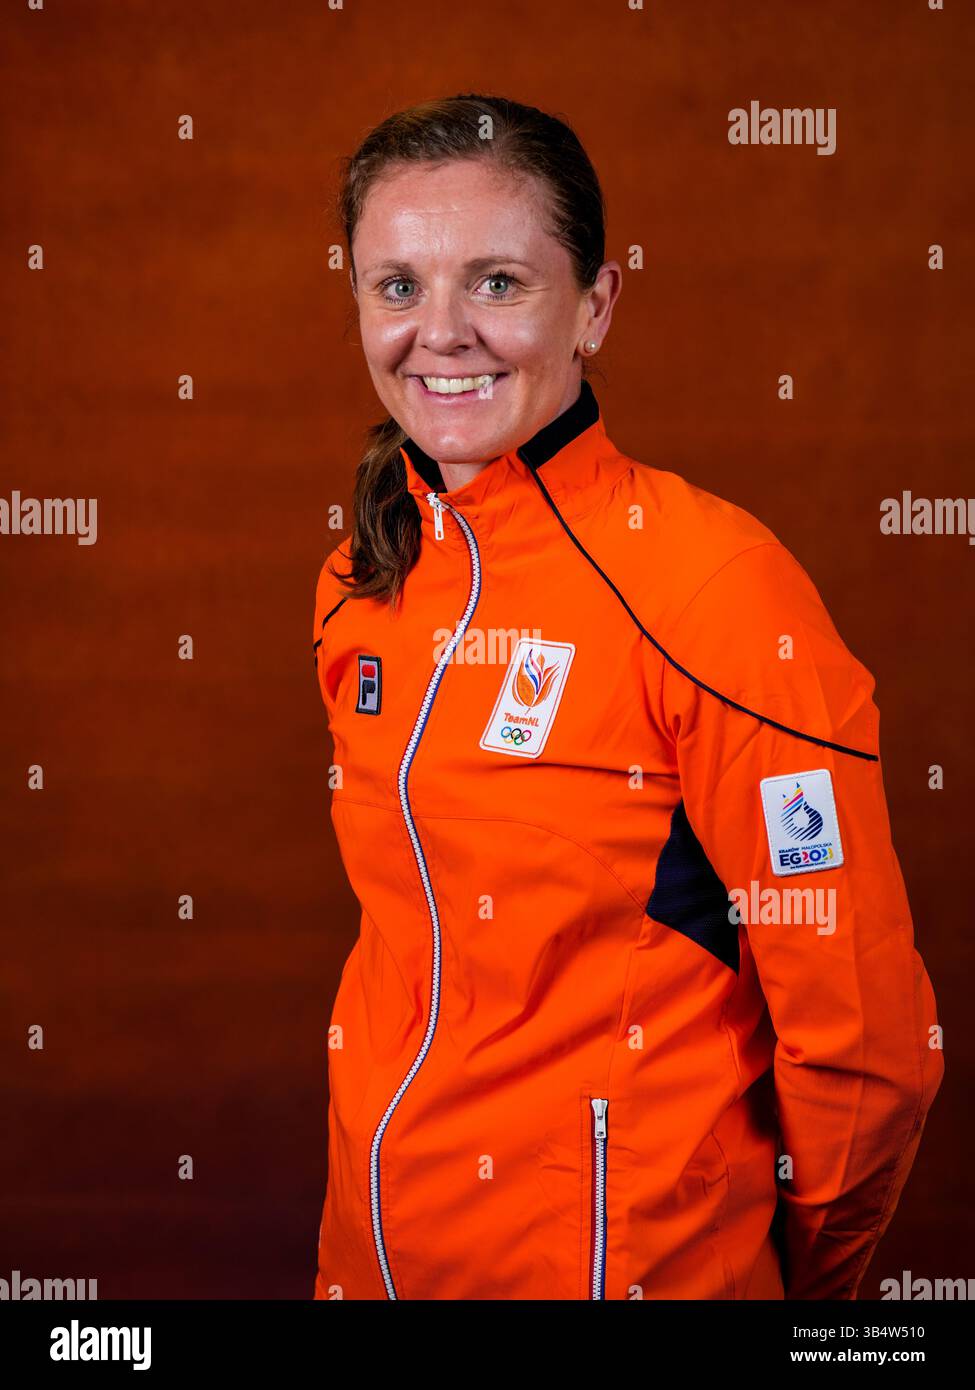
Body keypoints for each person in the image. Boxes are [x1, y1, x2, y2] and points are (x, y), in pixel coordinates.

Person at [309, 94, 944, 1301]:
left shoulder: (715, 588)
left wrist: (795, 1284)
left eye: (497, 282)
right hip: (374, 1265)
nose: (440, 334)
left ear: (596, 304)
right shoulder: (360, 583)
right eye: (396, 287)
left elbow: (866, 1048)